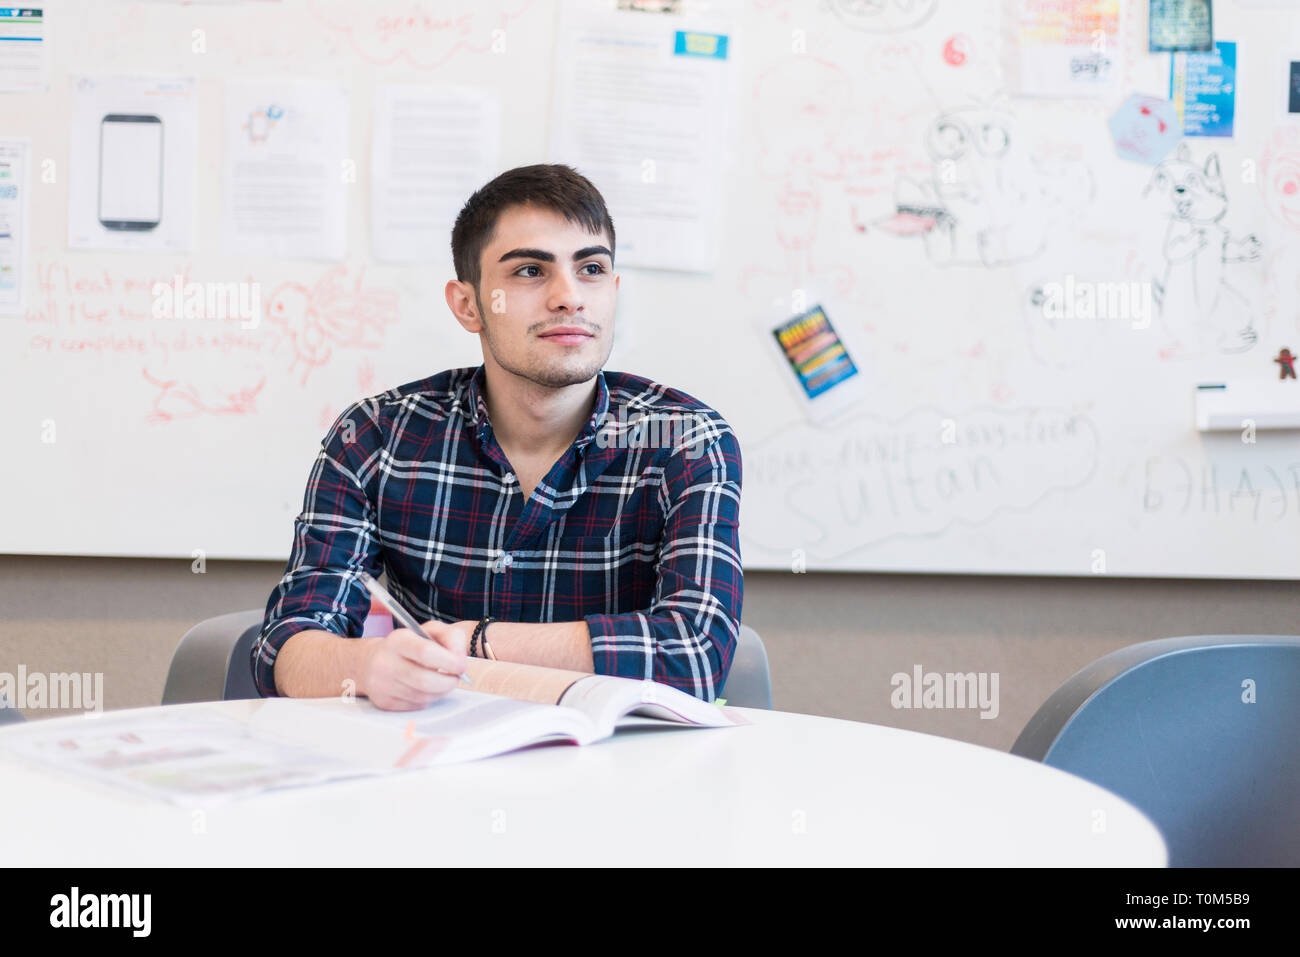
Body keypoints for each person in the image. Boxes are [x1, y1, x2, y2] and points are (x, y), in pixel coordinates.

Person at [252, 164, 743, 711]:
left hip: (623, 766)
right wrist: (366, 665)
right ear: (468, 305)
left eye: (592, 269)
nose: (569, 297)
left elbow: (697, 654)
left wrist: (474, 642)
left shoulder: (686, 440)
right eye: (531, 271)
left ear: (613, 291)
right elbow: (285, 648)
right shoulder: (375, 436)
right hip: (437, 763)